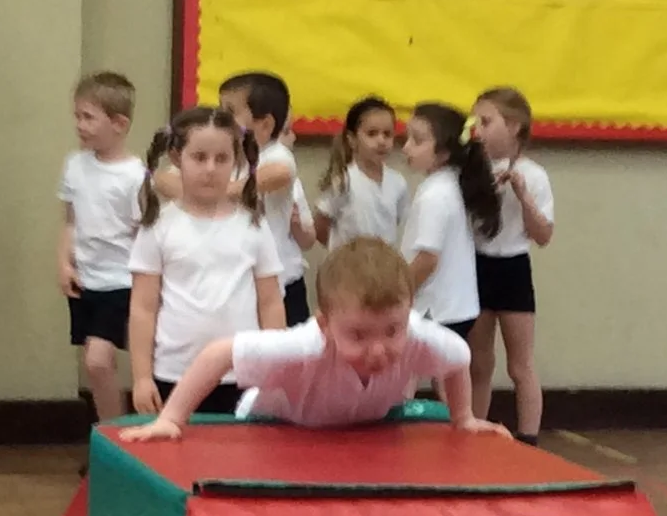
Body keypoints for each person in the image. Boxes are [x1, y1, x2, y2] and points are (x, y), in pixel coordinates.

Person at [120, 236, 502, 439]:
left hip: (354, 434)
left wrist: (463, 417)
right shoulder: (304, 347)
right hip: (273, 426)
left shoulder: (418, 337)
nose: (378, 349)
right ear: (325, 325)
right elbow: (218, 354)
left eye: (392, 330)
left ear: (408, 313)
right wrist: (171, 419)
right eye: (358, 335)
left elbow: (459, 359)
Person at [127, 106, 284, 418]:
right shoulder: (159, 225)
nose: (210, 168)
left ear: (236, 161)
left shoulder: (253, 224)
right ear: (177, 158)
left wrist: (276, 370)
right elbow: (143, 307)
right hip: (175, 373)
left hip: (242, 372)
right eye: (199, 157)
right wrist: (142, 377)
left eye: (222, 159)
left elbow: (270, 302)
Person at [55, 71, 145, 424]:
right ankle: (110, 430)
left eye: (89, 117)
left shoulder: (135, 175)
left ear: (119, 124)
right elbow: (70, 221)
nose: (80, 124)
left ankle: (116, 432)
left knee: (99, 360)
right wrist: (64, 263)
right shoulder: (74, 165)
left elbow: (144, 233)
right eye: (77, 116)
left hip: (121, 282)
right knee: (94, 365)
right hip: (86, 280)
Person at [468, 85, 556, 443]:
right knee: (479, 363)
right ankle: (472, 431)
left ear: (515, 126)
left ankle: (529, 438)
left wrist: (522, 194)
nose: (478, 130)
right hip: (477, 266)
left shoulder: (534, 175)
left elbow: (543, 235)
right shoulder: (472, 171)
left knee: (521, 365)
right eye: (476, 122)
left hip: (513, 269)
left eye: (486, 122)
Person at [219, 70, 318, 325]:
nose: (220, 120)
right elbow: (166, 180)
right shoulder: (229, 160)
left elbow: (279, 174)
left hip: (279, 282)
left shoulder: (276, 155)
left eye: (229, 112)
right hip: (241, 279)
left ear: (264, 125)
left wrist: (217, 190)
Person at [398, 101, 494, 347]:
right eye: (407, 138)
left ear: (444, 153)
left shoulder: (435, 195)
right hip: (454, 307)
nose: (406, 147)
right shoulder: (449, 184)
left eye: (417, 141)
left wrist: (396, 295)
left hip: (438, 310)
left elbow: (428, 258)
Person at [315, 96, 407, 246]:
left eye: (387, 134)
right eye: (372, 133)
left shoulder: (398, 182)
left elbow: (394, 223)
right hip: (348, 259)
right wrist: (343, 251)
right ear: (352, 139)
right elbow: (320, 227)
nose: (381, 141)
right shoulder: (343, 181)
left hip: (384, 259)